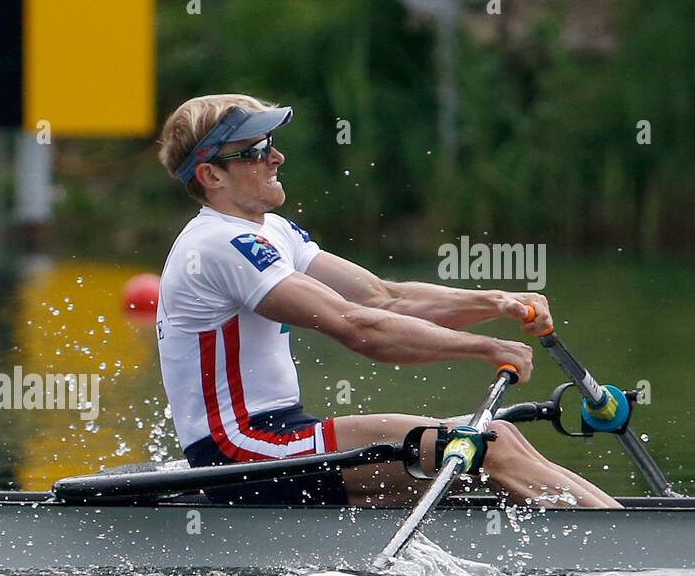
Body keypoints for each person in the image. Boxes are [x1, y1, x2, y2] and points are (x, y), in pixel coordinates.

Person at [154, 93, 618, 508]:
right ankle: (627, 550)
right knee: (488, 445)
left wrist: (495, 302)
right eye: (255, 151)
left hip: (278, 437)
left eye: (270, 141)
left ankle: (621, 531)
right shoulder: (217, 245)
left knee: (501, 439)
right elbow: (359, 328)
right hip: (241, 451)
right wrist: (484, 349)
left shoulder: (270, 231)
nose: (276, 155)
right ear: (211, 173)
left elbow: (386, 299)